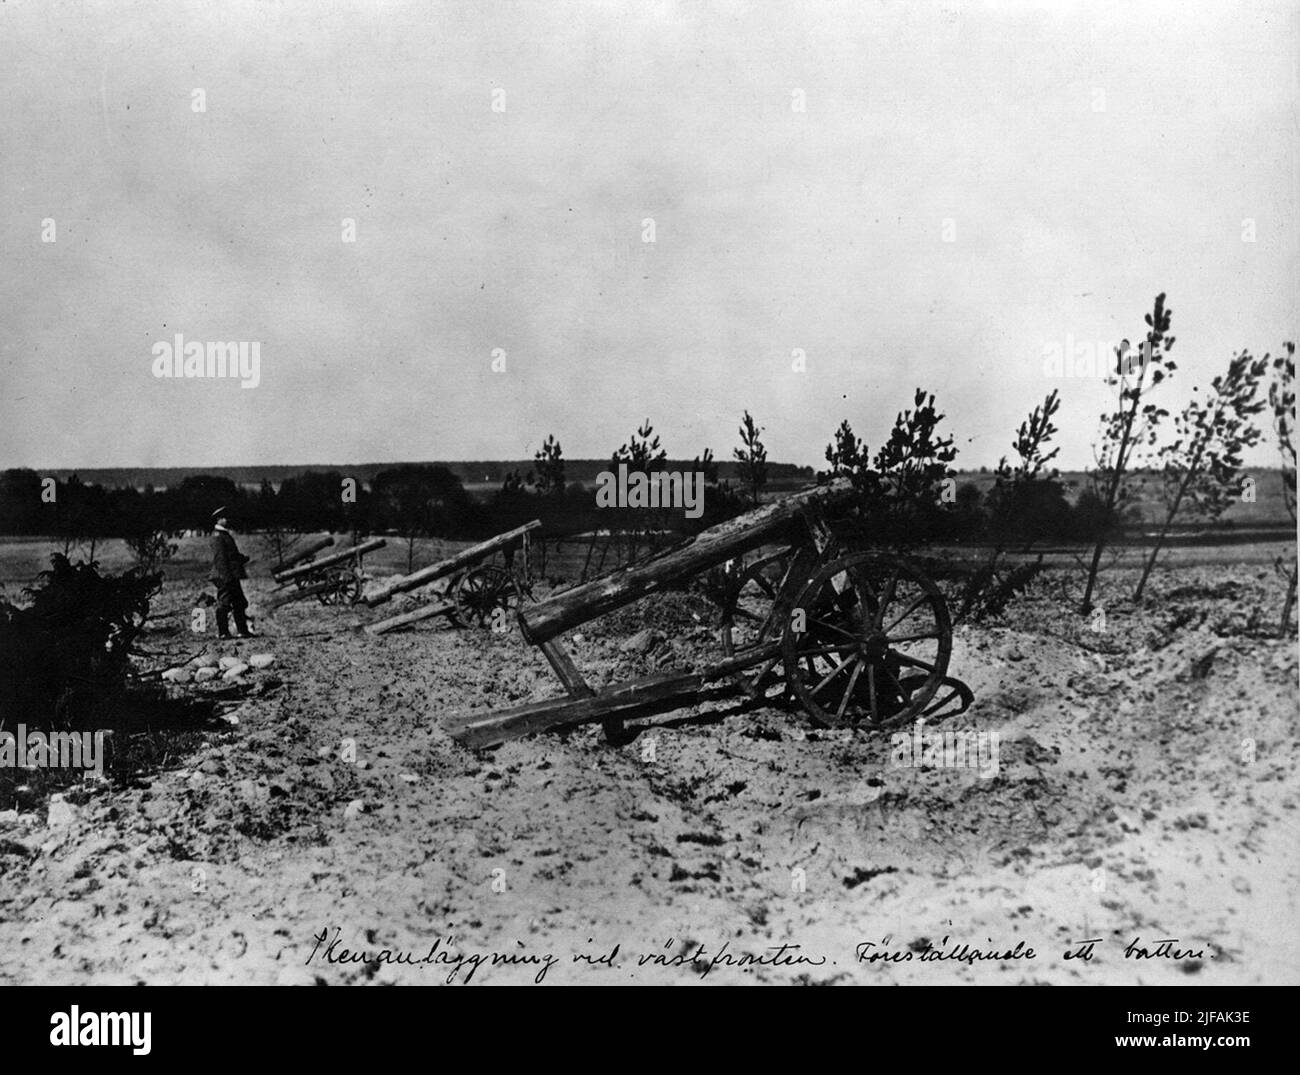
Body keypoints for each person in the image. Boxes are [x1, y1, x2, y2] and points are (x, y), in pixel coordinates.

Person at [209, 507, 254, 638]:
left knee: (239, 602)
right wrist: (226, 577)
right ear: (218, 519)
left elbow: (230, 555)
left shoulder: (224, 535)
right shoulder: (218, 536)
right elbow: (220, 559)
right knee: (224, 603)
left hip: (231, 575)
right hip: (225, 576)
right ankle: (223, 632)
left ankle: (242, 631)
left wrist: (241, 558)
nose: (227, 520)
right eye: (224, 518)